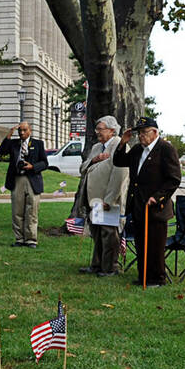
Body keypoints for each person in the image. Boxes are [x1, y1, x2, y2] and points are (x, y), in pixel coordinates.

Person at [112, 117, 181, 286]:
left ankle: (157, 278)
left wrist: (158, 197)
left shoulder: (165, 149)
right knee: (141, 243)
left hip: (156, 207)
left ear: (155, 132)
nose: (141, 136)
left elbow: (174, 179)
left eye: (144, 132)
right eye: (139, 133)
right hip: (138, 204)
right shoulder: (137, 150)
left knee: (155, 245)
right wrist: (122, 143)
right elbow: (119, 161)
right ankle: (143, 276)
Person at [79, 117, 128, 276]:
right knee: (97, 233)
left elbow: (120, 175)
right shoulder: (96, 147)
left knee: (109, 235)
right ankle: (96, 265)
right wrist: (94, 160)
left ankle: (110, 268)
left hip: (108, 200)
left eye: (100, 129)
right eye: (97, 129)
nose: (97, 132)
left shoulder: (120, 146)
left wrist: (109, 200)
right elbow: (83, 168)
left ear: (112, 130)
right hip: (94, 199)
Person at [0, 122, 48, 246]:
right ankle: (19, 239)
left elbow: (45, 163)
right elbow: (1, 151)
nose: (22, 133)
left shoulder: (38, 144)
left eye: (24, 130)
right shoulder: (14, 143)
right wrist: (9, 135)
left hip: (32, 180)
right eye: (20, 131)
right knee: (17, 211)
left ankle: (31, 239)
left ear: (30, 130)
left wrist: (33, 166)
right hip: (17, 179)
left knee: (32, 211)